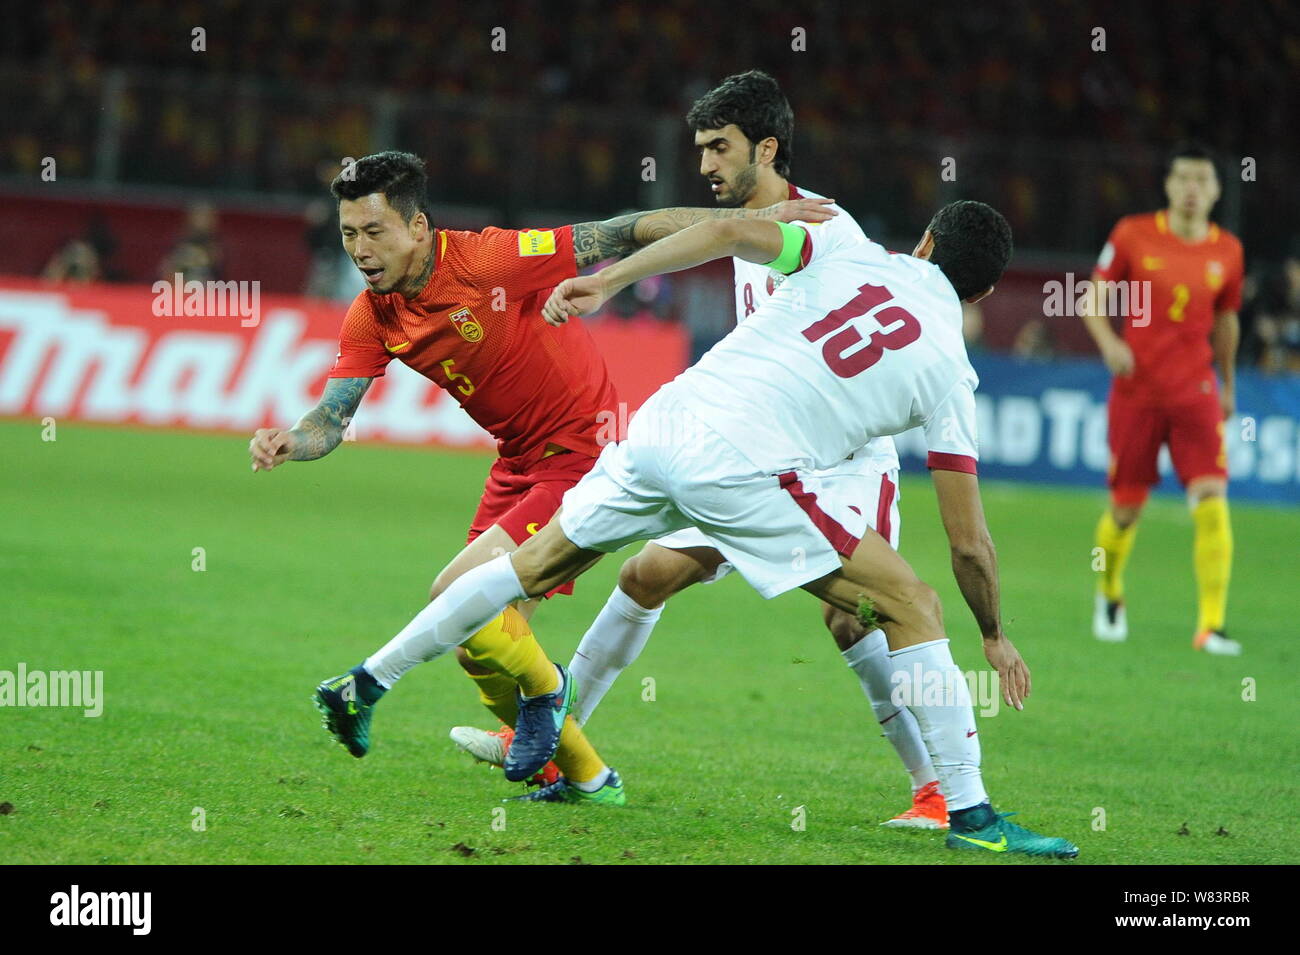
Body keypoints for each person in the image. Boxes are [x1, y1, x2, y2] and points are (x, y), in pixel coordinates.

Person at [317, 198, 1080, 858]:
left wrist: (609, 279)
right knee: (912, 603)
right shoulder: (951, 368)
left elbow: (728, 236)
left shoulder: (843, 240)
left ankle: (368, 679)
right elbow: (969, 542)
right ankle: (971, 813)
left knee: (533, 564)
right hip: (747, 465)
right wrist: (994, 632)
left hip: (665, 423)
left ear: (924, 244)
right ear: (981, 289)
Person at [249, 150, 834, 799]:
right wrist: (289, 441)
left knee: (458, 593)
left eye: (375, 231)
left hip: (585, 454)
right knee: (478, 643)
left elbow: (623, 230)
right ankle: (587, 777)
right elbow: (333, 418)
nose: (360, 248)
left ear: (419, 227)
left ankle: (550, 690)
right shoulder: (373, 314)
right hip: (519, 464)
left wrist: (754, 220)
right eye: (349, 233)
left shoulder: (489, 260)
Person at [450, 71, 946, 827]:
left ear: (768, 147)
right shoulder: (750, 226)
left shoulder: (822, 228)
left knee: (856, 618)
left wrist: (606, 279)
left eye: (721, 148)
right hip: (759, 454)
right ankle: (544, 735)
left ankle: (937, 788)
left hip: (843, 459)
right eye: (701, 149)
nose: (707, 164)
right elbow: (690, 230)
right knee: (645, 573)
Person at [1082, 142, 1244, 655]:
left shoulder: (1229, 252)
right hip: (1138, 392)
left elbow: (1226, 320)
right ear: (1168, 186)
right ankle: (1108, 591)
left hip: (1196, 391)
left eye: (1202, 179)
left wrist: (1228, 384)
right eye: (1183, 178)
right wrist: (1110, 345)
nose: (1191, 188)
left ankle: (1211, 626)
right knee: (1126, 509)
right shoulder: (1132, 234)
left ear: (1217, 190)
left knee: (1212, 500)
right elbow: (1092, 298)